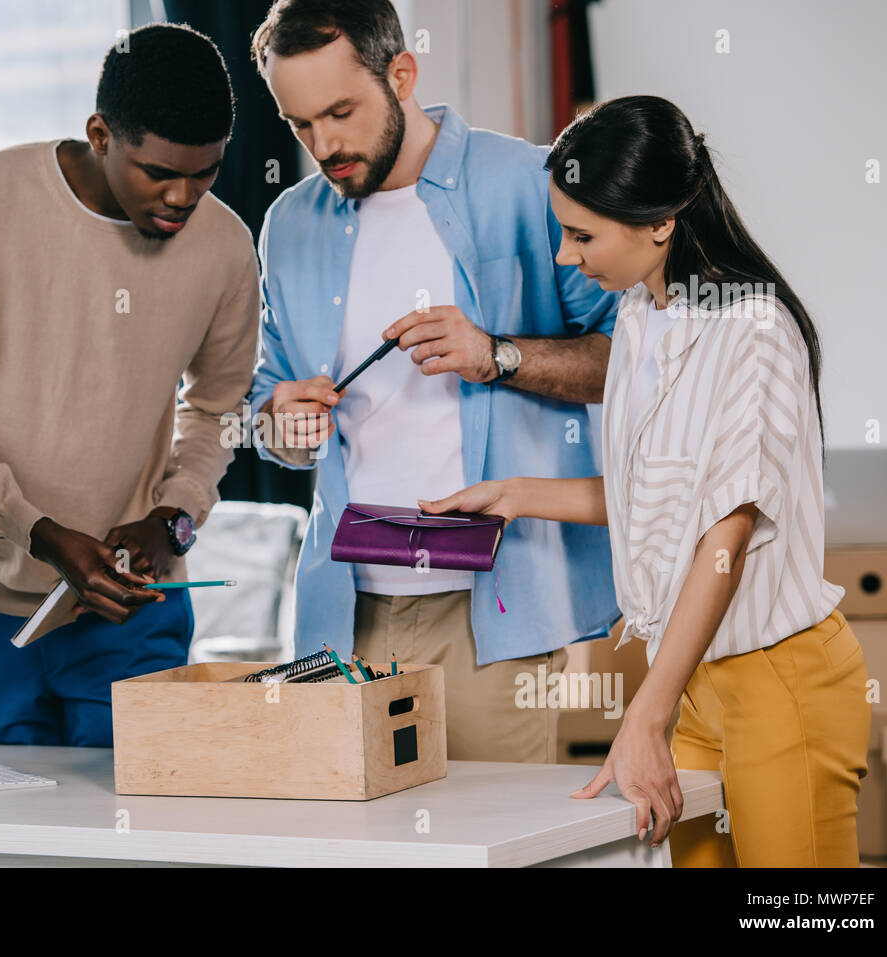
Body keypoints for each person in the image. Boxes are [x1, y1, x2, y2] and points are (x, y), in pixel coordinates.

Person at [424, 95, 870, 866]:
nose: (566, 256)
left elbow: (722, 539)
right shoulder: (636, 316)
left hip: (778, 683)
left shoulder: (754, 332)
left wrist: (644, 716)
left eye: (581, 235)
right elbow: (654, 499)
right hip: (690, 680)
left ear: (659, 222)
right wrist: (516, 494)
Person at [248, 0, 621, 762]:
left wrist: (498, 354)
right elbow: (268, 404)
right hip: (345, 606)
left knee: (491, 837)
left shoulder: (529, 182)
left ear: (402, 73)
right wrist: (282, 424)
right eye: (300, 125)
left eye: (341, 112)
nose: (325, 144)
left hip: (499, 606)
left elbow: (627, 361)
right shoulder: (288, 222)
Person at [0, 24, 260, 747]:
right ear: (100, 134)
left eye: (207, 172)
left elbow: (218, 411)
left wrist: (173, 519)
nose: (184, 197)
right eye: (159, 172)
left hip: (138, 613)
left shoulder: (224, 247)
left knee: (142, 846)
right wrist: (43, 534)